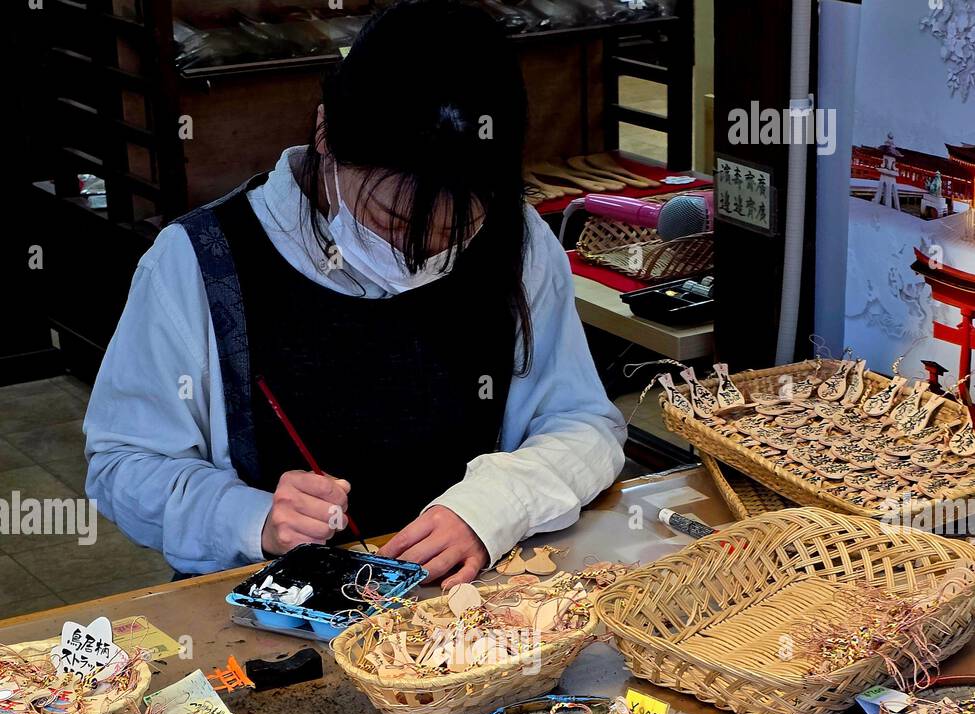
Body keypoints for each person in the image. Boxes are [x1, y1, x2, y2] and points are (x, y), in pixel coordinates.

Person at [84, 0, 625, 588]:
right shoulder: (197, 262)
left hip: (466, 610)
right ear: (325, 134)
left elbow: (582, 423)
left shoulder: (518, 241)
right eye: (393, 221)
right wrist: (246, 516)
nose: (417, 258)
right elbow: (122, 465)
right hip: (264, 614)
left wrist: (499, 504)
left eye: (454, 233)